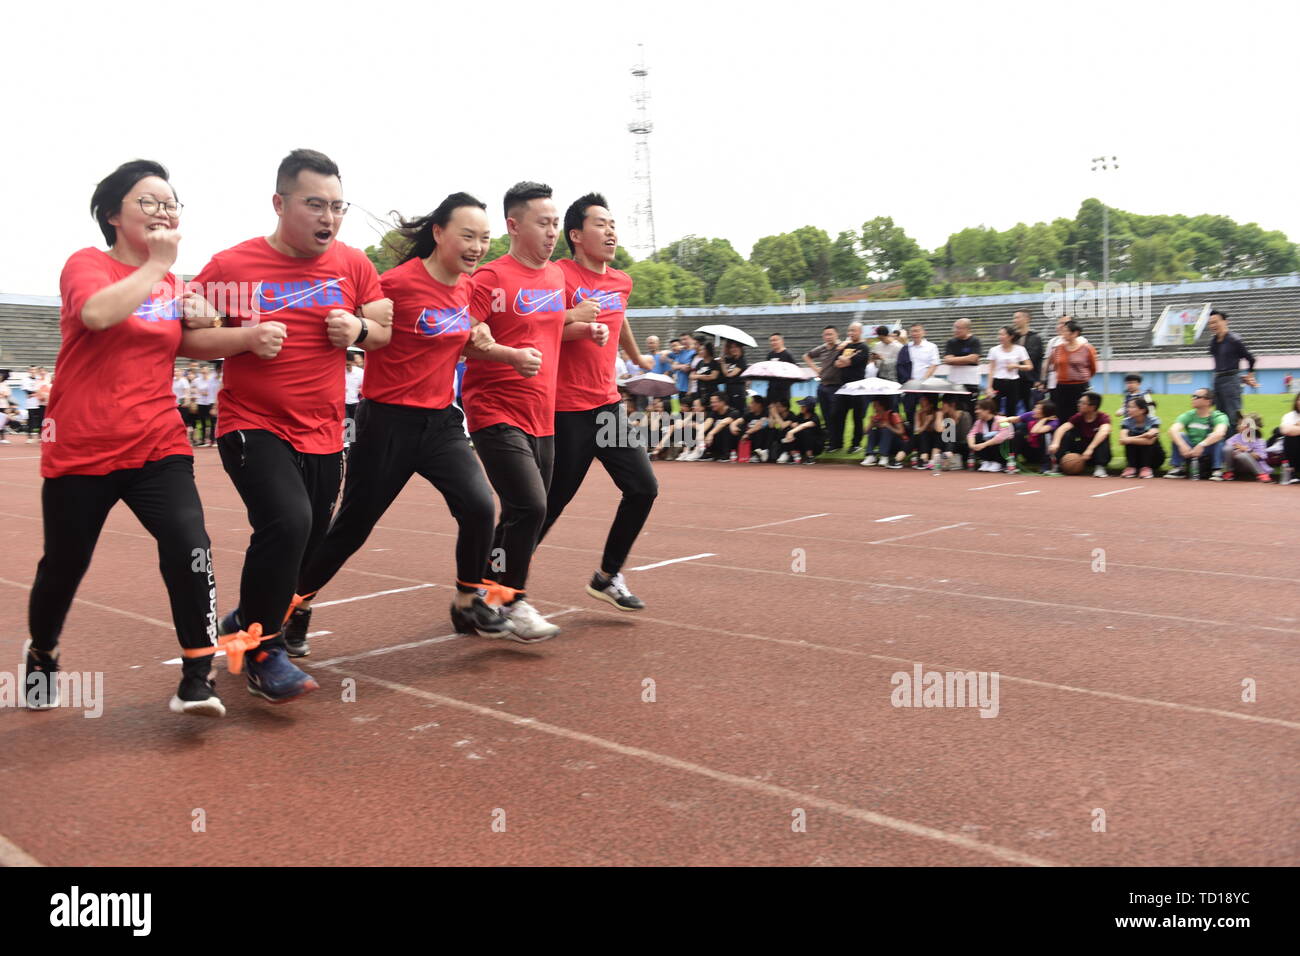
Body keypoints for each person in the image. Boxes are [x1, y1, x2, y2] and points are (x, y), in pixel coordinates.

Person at [26, 159, 282, 717]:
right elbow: (97, 315)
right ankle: (43, 653)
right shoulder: (87, 265)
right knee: (64, 565)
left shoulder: (170, 284)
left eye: (171, 203)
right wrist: (162, 267)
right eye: (149, 201)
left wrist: (241, 334)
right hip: (82, 446)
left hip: (157, 442)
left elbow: (189, 344)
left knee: (190, 544)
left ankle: (198, 674)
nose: (164, 211)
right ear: (113, 214)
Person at [192, 148, 393, 699]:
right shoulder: (233, 266)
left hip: (324, 431)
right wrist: (243, 338)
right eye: (314, 204)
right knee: (287, 520)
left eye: (337, 205)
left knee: (307, 541)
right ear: (279, 203)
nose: (329, 217)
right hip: (251, 423)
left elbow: (384, 328)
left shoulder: (352, 264)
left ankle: (243, 623)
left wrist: (355, 328)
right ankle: (263, 651)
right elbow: (187, 336)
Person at [294, 192, 533, 648]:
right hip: (387, 423)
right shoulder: (397, 283)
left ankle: (468, 601)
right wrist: (356, 324)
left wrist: (490, 343)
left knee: (480, 506)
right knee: (353, 527)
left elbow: (457, 340)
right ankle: (294, 605)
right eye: (467, 235)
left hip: (441, 422)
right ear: (439, 232)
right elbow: (361, 323)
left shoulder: (467, 288)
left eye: (485, 238)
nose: (478, 246)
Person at [458, 181, 571, 640]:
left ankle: (475, 600)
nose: (552, 233)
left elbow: (551, 330)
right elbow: (466, 339)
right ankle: (513, 600)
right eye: (543, 223)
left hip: (542, 412)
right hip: (494, 408)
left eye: (556, 224)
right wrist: (507, 354)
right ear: (513, 225)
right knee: (531, 504)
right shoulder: (489, 278)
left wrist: (588, 330)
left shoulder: (557, 278)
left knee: (521, 514)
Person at [537, 192, 659, 613]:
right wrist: (578, 325)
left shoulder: (621, 280)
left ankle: (607, 576)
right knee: (547, 506)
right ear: (575, 234)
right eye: (600, 224)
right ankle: (491, 580)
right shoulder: (556, 276)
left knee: (643, 488)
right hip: (565, 410)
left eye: (612, 224)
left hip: (607, 406)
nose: (611, 231)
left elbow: (618, 312)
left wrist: (636, 356)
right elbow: (542, 330)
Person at [1207, 309, 1257, 429]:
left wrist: (1249, 376)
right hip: (1218, 380)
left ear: (1225, 322)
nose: (1213, 325)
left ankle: (1243, 444)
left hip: (1231, 382)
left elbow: (1251, 359)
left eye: (1215, 322)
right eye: (1210, 323)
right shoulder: (1213, 342)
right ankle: (1224, 444)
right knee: (1220, 416)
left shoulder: (1234, 340)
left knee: (1234, 416)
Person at [1164, 388, 1229, 480]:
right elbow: (1173, 430)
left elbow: (1220, 433)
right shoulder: (1188, 415)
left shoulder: (1218, 416)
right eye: (1193, 396)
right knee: (1179, 435)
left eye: (1197, 397)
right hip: (1190, 447)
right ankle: (1178, 468)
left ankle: (1217, 469)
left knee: (1217, 438)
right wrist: (1182, 445)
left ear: (1208, 401)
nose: (1193, 399)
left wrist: (1202, 445)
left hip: (1207, 447)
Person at [1049, 390, 1112, 477]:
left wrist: (1090, 449)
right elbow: (1062, 428)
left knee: (1103, 438)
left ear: (1092, 407)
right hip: (1081, 452)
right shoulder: (1078, 416)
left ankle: (1100, 467)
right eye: (1079, 402)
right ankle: (1058, 465)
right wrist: (1055, 443)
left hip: (1096, 452)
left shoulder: (1103, 417)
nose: (1079, 404)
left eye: (1082, 403)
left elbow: (1104, 432)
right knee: (1066, 434)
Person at [832, 321, 872, 453]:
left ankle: (856, 444)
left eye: (853, 330)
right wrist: (846, 360)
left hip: (858, 386)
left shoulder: (864, 348)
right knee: (838, 415)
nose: (850, 333)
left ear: (860, 332)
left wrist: (846, 360)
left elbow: (849, 362)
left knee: (857, 416)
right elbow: (837, 363)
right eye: (849, 331)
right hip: (844, 386)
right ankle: (837, 443)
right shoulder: (846, 346)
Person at [1048, 319, 1097, 419]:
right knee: (1062, 414)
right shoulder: (1058, 349)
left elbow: (1093, 368)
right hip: (1062, 386)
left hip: (1080, 386)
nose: (1063, 334)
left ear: (1075, 333)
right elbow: (1055, 366)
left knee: (1080, 414)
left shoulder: (1087, 349)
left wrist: (1080, 378)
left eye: (1066, 331)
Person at [804, 326, 843, 448]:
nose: (828, 337)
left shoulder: (841, 348)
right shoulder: (822, 349)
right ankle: (831, 441)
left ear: (837, 335)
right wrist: (815, 368)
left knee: (835, 415)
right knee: (826, 415)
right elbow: (806, 356)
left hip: (836, 387)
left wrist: (844, 343)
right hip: (822, 386)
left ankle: (838, 442)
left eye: (831, 334)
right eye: (826, 335)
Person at [897, 323, 940, 423]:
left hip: (927, 386)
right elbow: (900, 366)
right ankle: (912, 436)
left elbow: (934, 365)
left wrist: (922, 380)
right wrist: (907, 379)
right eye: (913, 331)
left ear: (923, 332)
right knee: (910, 412)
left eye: (917, 331)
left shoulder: (931, 347)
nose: (915, 333)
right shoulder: (906, 348)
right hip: (910, 386)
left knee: (928, 412)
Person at [986, 325, 1032, 416]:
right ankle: (996, 429)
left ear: (1011, 336)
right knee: (995, 409)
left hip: (1013, 382)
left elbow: (1029, 366)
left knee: (1011, 409)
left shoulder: (1020, 349)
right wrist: (989, 387)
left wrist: (1016, 366)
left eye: (1003, 335)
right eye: (999, 334)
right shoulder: (994, 350)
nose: (1000, 337)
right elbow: (991, 369)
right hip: (998, 382)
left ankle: (1010, 429)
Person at [1118, 396, 1164, 478]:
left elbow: (1150, 440)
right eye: (1128, 407)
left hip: (1154, 459)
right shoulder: (1126, 421)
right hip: (1136, 460)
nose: (1128, 409)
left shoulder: (1153, 420)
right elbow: (1122, 440)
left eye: (1132, 407)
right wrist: (1142, 437)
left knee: (1144, 437)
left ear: (1142, 410)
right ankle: (1131, 467)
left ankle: (1146, 468)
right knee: (1133, 435)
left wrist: (1129, 439)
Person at [942, 318, 982, 409]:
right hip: (953, 382)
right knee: (951, 409)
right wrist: (967, 359)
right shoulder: (950, 342)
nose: (956, 330)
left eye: (959, 328)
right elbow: (948, 360)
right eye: (955, 327)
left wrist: (954, 360)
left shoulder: (975, 341)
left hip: (970, 382)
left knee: (970, 408)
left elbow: (974, 358)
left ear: (967, 329)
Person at [968, 398, 1016, 472]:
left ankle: (998, 463)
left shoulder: (1003, 419)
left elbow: (1003, 436)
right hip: (989, 447)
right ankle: (986, 461)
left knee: (997, 437)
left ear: (987, 410)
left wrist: (984, 444)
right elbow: (971, 434)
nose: (976, 412)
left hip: (1004, 449)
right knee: (978, 436)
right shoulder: (978, 422)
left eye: (978, 409)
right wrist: (972, 445)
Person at [1221, 412, 1271, 482]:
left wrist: (1246, 450)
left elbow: (1259, 456)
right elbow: (1228, 447)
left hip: (1252, 466)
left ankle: (1261, 474)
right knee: (1228, 448)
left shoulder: (1259, 441)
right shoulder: (1236, 437)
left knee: (1242, 455)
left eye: (1241, 424)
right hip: (1236, 465)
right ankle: (1229, 472)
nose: (1238, 426)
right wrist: (1235, 450)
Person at [1013, 400, 1059, 472]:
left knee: (1046, 435)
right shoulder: (1032, 414)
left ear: (1045, 412)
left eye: (1038, 408)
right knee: (1018, 434)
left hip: (1043, 454)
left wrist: (1044, 419)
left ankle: (1046, 465)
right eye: (1035, 408)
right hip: (1030, 452)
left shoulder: (1054, 421)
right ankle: (1012, 463)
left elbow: (1035, 430)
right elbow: (1016, 419)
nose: (1034, 410)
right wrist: (1003, 420)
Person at [860, 398, 906, 467]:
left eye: (875, 405)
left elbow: (901, 432)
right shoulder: (876, 416)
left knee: (886, 430)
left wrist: (888, 426)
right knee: (873, 431)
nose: (873, 407)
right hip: (885, 444)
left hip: (897, 444)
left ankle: (884, 456)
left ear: (882, 406)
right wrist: (871, 424)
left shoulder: (893, 415)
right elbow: (865, 432)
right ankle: (870, 455)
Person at [778, 397, 824, 464]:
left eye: (803, 406)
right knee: (787, 430)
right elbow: (793, 424)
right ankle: (795, 456)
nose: (801, 407)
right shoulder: (800, 416)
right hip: (802, 444)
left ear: (809, 408)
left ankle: (810, 457)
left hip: (815, 446)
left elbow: (805, 425)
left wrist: (792, 431)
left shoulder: (815, 417)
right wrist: (792, 427)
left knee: (807, 431)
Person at [1012, 310, 1044, 401]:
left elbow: (1039, 360)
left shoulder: (1036, 338)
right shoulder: (1013, 338)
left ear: (1027, 319)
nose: (1015, 320)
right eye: (1014, 318)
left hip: (1030, 379)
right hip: (1015, 378)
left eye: (1017, 317)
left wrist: (1039, 380)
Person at [936, 395, 972, 469]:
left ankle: (947, 457)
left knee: (950, 435)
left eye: (943, 404)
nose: (941, 406)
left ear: (952, 405)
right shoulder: (945, 417)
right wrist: (939, 415)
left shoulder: (965, 415)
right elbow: (939, 430)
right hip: (950, 446)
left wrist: (950, 428)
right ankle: (942, 458)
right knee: (942, 436)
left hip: (963, 446)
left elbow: (964, 437)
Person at [765, 332, 797, 408]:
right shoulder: (770, 355)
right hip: (771, 390)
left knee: (782, 412)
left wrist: (786, 384)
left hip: (783, 391)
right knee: (770, 411)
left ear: (782, 341)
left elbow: (795, 371)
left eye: (775, 340)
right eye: (771, 340)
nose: (773, 342)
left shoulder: (787, 355)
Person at [909, 394, 941, 468]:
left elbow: (938, 430)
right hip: (924, 442)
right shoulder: (919, 413)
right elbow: (916, 431)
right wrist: (926, 423)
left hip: (935, 442)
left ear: (931, 404)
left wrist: (933, 420)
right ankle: (924, 459)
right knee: (923, 434)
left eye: (924, 400)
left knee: (937, 435)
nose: (920, 402)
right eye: (921, 400)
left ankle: (931, 460)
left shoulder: (937, 413)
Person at [668, 335, 697, 408]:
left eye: (685, 339)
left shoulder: (693, 353)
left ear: (691, 339)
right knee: (675, 410)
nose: (684, 341)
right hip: (676, 388)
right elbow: (673, 367)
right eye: (682, 340)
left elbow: (687, 368)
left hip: (686, 388)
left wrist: (679, 366)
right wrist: (681, 366)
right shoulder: (681, 353)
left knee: (685, 410)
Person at [690, 341, 722, 406]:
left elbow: (713, 376)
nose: (701, 352)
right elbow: (692, 376)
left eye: (703, 349)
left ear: (708, 350)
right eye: (700, 350)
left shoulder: (714, 363)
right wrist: (703, 376)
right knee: (699, 412)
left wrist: (698, 376)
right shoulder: (700, 363)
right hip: (700, 392)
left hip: (711, 393)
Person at [720, 340, 748, 409]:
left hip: (738, 389)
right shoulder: (730, 360)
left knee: (737, 409)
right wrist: (725, 345)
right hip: (728, 388)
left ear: (740, 348)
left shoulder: (742, 361)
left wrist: (722, 363)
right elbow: (723, 354)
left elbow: (729, 374)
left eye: (735, 347)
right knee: (729, 408)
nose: (733, 349)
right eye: (731, 347)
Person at [1279, 393, 1300, 483]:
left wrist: (1296, 427)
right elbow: (1286, 430)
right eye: (1299, 400)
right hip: (1294, 452)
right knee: (1291, 437)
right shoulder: (1290, 416)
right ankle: (1292, 472)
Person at [194, 365, 216, 447]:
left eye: (206, 370)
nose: (204, 372)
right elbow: (196, 390)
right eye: (202, 370)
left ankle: (213, 440)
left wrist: (206, 393)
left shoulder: (212, 379)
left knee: (212, 422)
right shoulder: (197, 380)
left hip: (211, 402)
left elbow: (214, 390)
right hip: (201, 403)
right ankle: (203, 440)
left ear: (208, 371)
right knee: (202, 422)